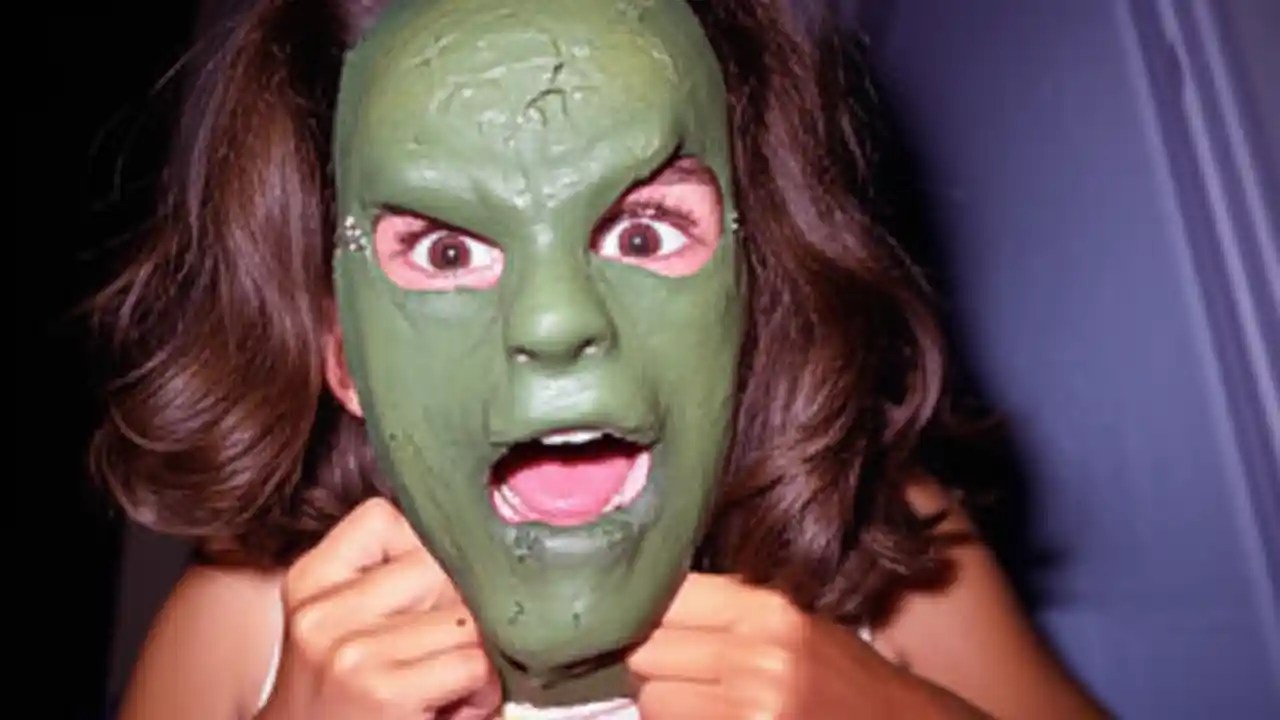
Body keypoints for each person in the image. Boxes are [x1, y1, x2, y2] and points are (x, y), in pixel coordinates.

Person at [91, 0, 1108, 718]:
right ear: (341, 347)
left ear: (755, 299)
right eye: (445, 251)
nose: (551, 322)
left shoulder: (889, 557)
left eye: (641, 233)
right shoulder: (241, 631)